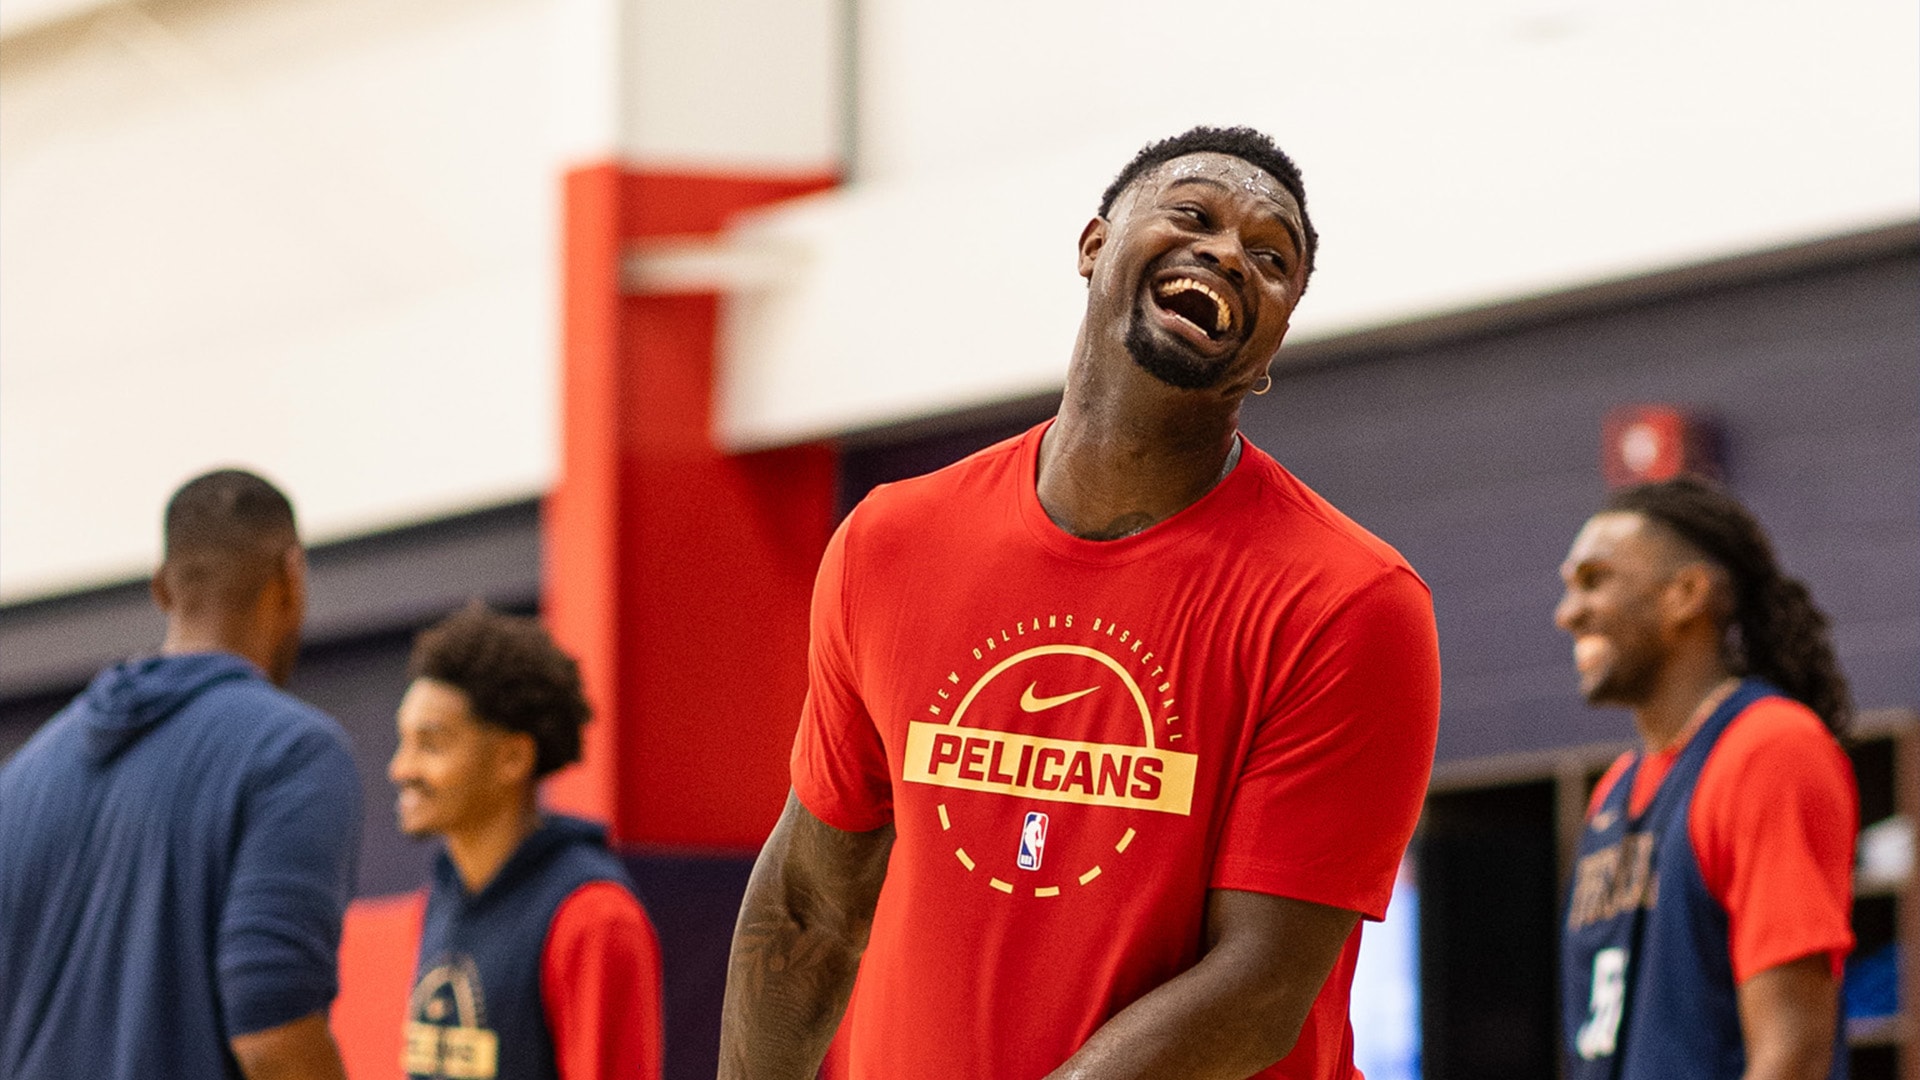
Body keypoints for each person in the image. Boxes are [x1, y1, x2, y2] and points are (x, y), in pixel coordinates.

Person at [720, 126, 1443, 1079]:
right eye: (1193, 214)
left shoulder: (1350, 602)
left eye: (1273, 259)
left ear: (1270, 346)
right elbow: (810, 908)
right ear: (1094, 246)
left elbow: (1259, 990)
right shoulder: (890, 543)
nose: (1230, 253)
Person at [0, 468, 362, 1080]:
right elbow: (273, 1040)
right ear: (291, 577)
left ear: (161, 588)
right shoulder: (292, 753)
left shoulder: (20, 780)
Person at [1553, 476, 1856, 1080]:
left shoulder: (1769, 749)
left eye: (1595, 580)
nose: (1568, 614)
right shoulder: (1614, 789)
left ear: (1687, 595)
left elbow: (1793, 1052)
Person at [389, 603, 662, 1080]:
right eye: (403, 741)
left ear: (512, 758)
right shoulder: (443, 896)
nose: (401, 768)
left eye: (431, 744)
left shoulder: (594, 917)